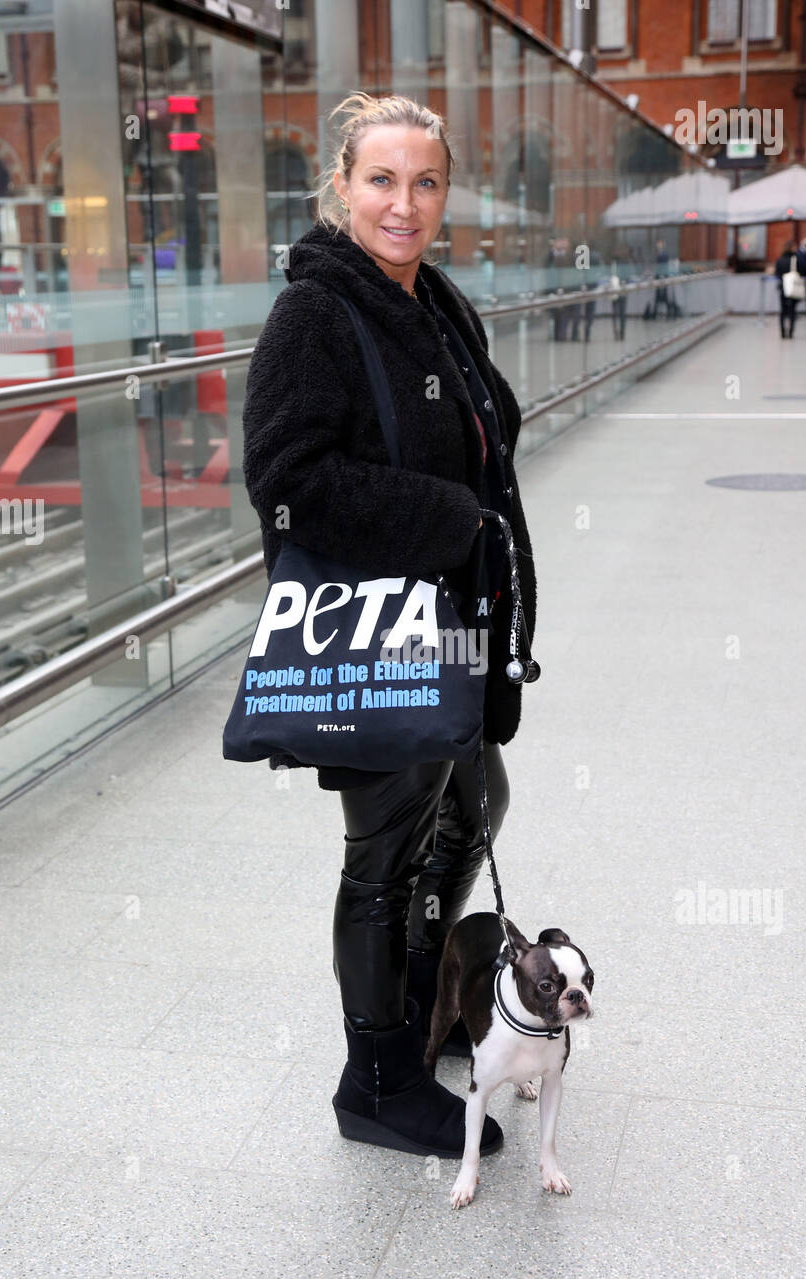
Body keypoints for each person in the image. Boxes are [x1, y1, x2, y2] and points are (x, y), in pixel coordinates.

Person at [240, 92, 537, 1161]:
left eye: (422, 182)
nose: (402, 203)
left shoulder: (428, 296)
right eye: (380, 180)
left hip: (447, 615)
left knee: (477, 799)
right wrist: (447, 516)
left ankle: (416, 1011)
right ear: (339, 186)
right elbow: (284, 481)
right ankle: (372, 1081)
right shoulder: (316, 314)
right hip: (376, 629)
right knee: (385, 850)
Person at [774, 237, 801, 339]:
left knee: (783, 310)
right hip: (792, 287)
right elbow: (802, 271)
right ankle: (790, 332)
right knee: (792, 310)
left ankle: (782, 331)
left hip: (783, 287)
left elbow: (777, 273)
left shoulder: (780, 260)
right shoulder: (795, 260)